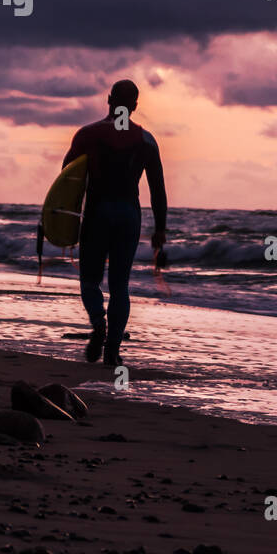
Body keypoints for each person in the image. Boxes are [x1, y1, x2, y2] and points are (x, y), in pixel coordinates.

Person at [62, 79, 167, 365]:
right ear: (134, 106)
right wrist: (160, 229)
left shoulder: (88, 135)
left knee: (89, 279)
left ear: (109, 100)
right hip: (128, 215)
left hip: (98, 211)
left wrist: (61, 220)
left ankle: (98, 322)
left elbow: (66, 181)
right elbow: (158, 189)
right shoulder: (146, 142)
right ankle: (113, 350)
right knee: (120, 285)